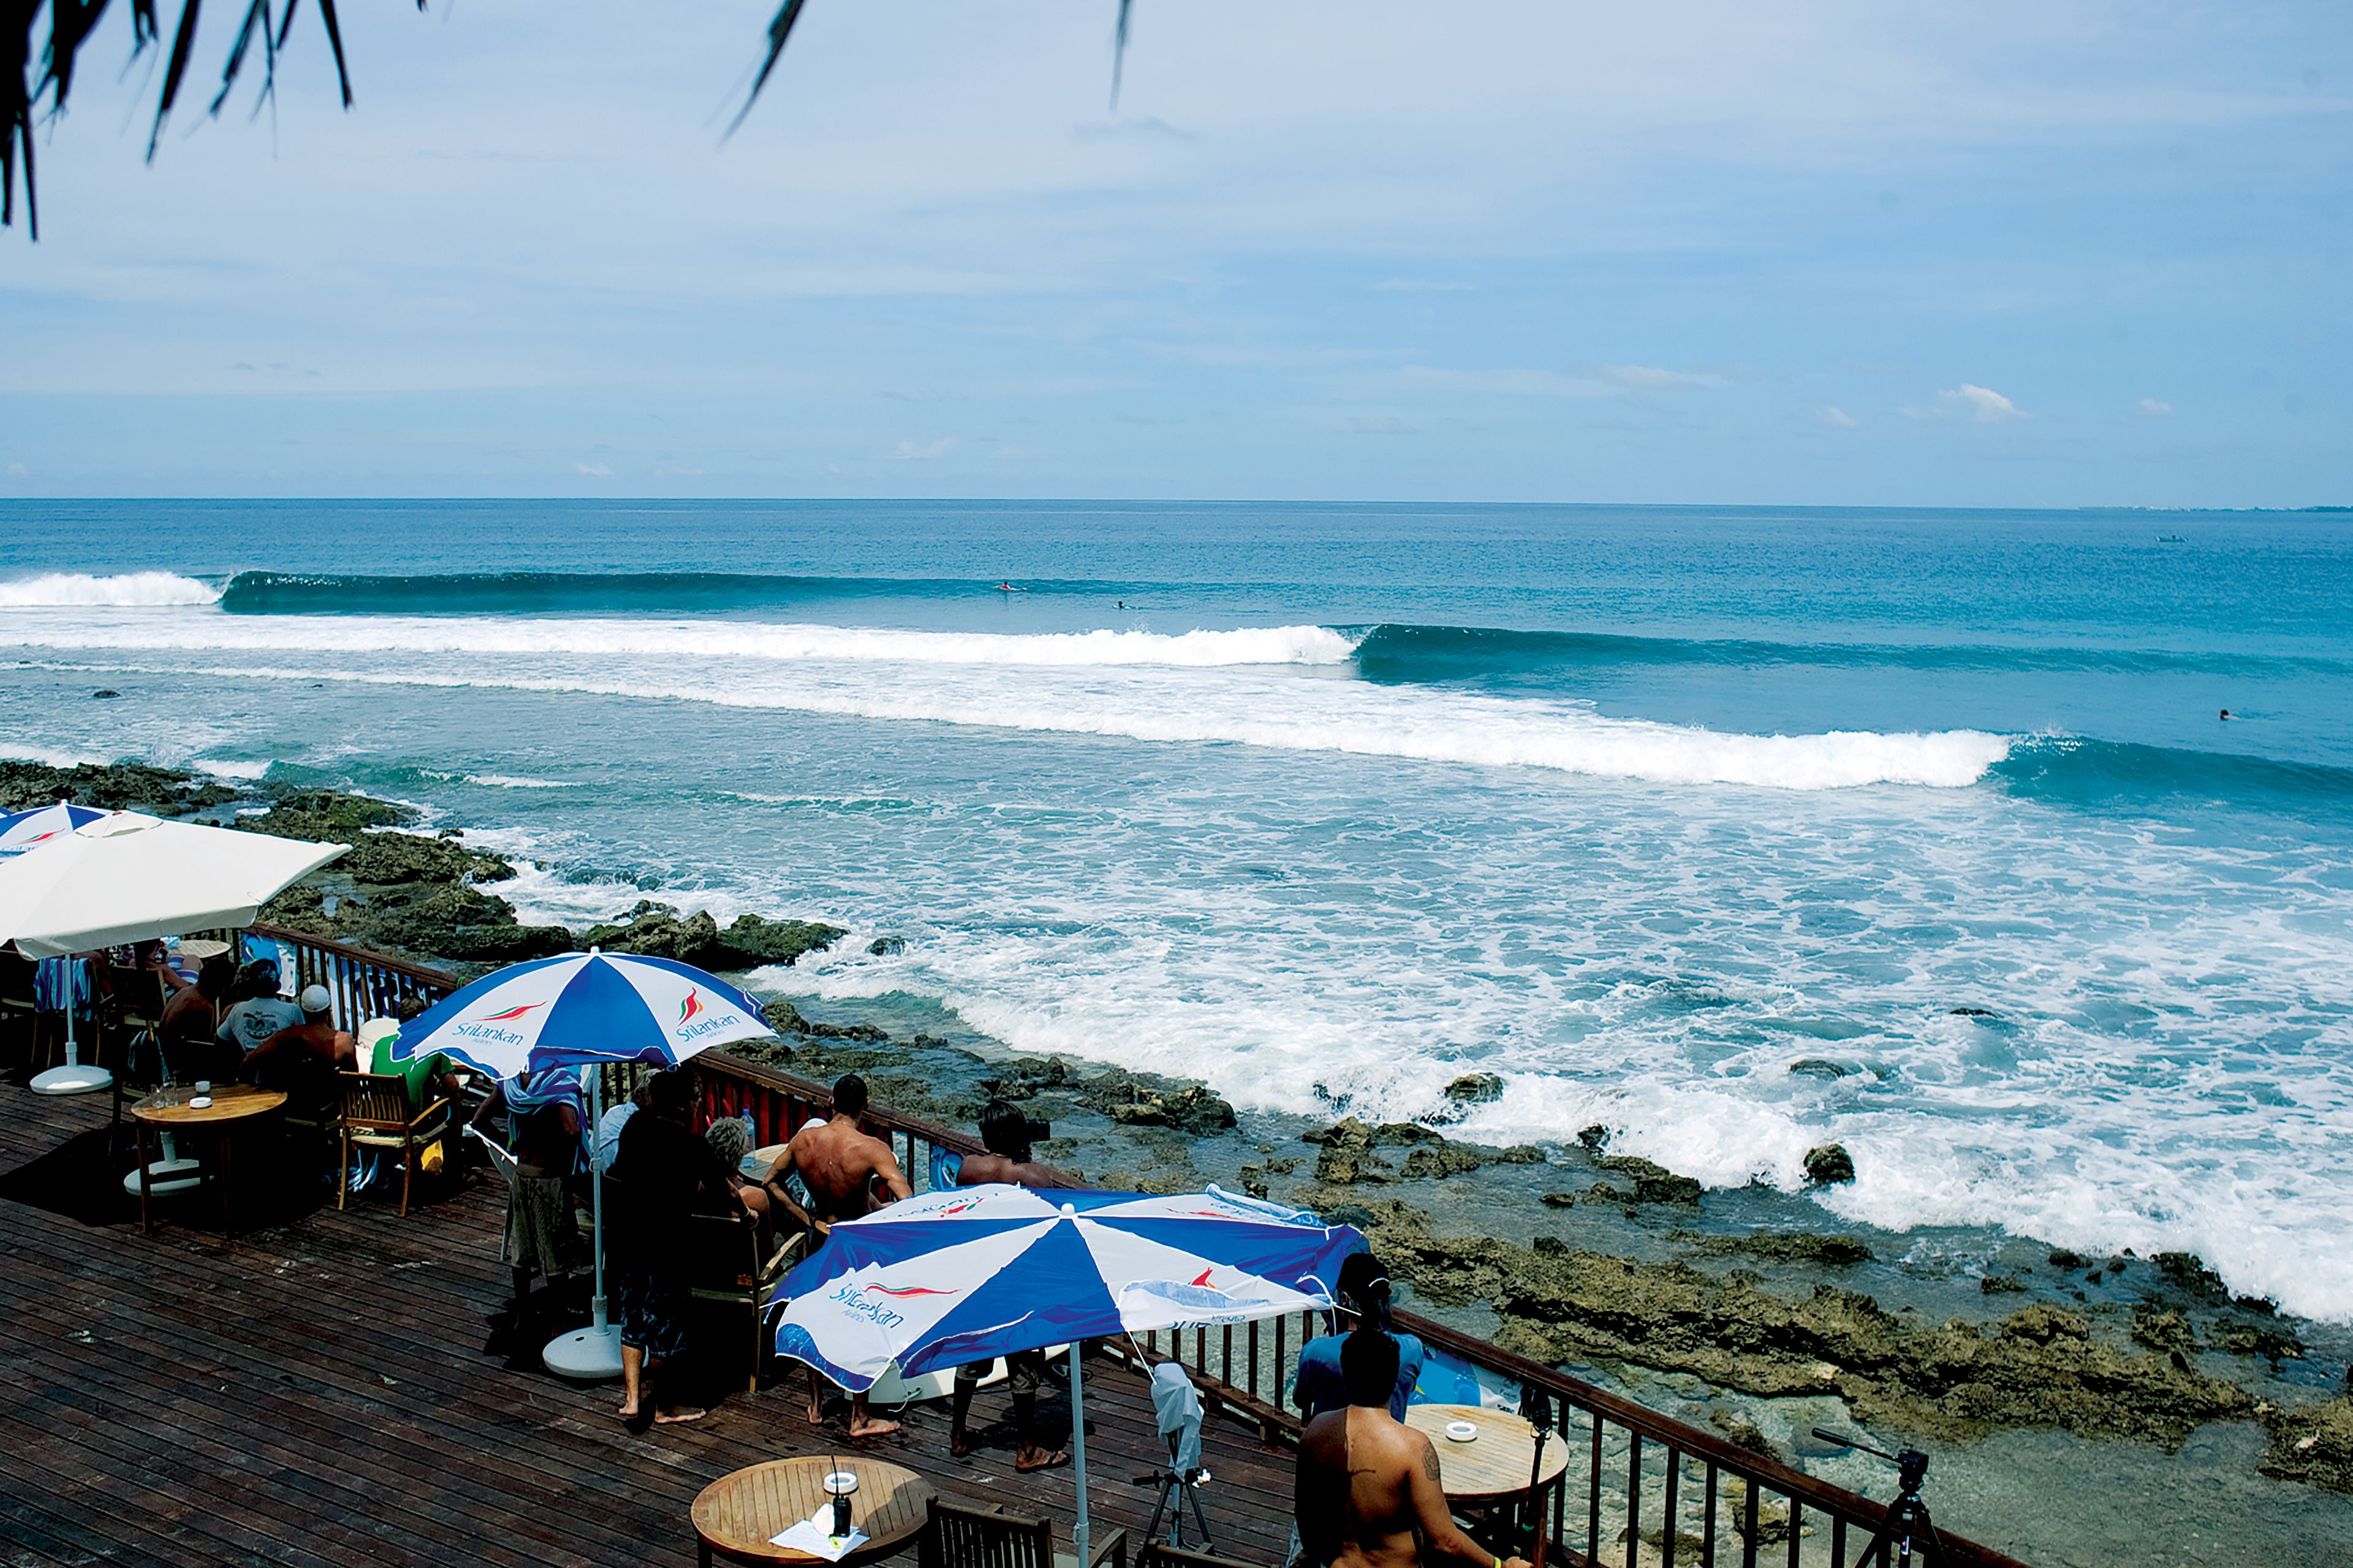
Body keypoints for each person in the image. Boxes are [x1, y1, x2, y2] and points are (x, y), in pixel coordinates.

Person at [1294, 1328, 1531, 1568]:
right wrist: (1502, 1565)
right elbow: (1444, 1540)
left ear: (1345, 1376)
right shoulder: (1412, 1448)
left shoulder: (1317, 1432)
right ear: (1395, 1378)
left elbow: (1305, 1520)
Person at [761, 1074, 912, 1436]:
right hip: (853, 1242)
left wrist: (807, 1218)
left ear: (830, 1102)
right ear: (864, 1107)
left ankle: (815, 1405)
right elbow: (906, 1200)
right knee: (861, 1322)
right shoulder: (870, 1148)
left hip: (819, 1236)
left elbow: (770, 1182)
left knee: (815, 1317)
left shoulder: (805, 1140)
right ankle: (859, 1416)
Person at [947, 1100, 1070, 1470]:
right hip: (1017, 1278)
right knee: (1022, 1362)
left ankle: (958, 1436)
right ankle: (1027, 1449)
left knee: (969, 1359)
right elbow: (1048, 1227)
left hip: (978, 1274)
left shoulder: (970, 1167)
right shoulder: (1034, 1176)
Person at [609, 1069, 732, 1429]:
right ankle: (664, 1407)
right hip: (666, 1248)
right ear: (681, 1105)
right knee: (665, 1330)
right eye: (695, 1099)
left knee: (632, 1321)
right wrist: (745, 1212)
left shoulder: (634, 1129)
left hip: (630, 1240)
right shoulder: (691, 1144)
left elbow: (622, 1172)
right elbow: (724, 1193)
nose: (698, 1106)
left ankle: (633, 1399)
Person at [1294, 1252, 1427, 1422]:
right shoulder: (1412, 1349)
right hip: (1388, 1445)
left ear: (1344, 1299)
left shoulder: (1317, 1351)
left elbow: (1301, 1400)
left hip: (1330, 1444)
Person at [243, 983, 356, 1107]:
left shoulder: (287, 1036)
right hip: (329, 1110)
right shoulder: (345, 1041)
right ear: (329, 1010)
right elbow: (353, 1078)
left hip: (293, 1108)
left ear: (303, 1011)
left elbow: (250, 1060)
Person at [157, 956, 237, 1082]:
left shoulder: (185, 992)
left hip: (166, 1052)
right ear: (220, 986)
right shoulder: (203, 1006)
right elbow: (204, 1047)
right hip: (177, 1065)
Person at [216, 961, 303, 1067]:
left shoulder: (237, 1010)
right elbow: (302, 1044)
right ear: (278, 985)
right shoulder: (293, 1010)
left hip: (246, 1075)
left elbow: (222, 1041)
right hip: (281, 1075)